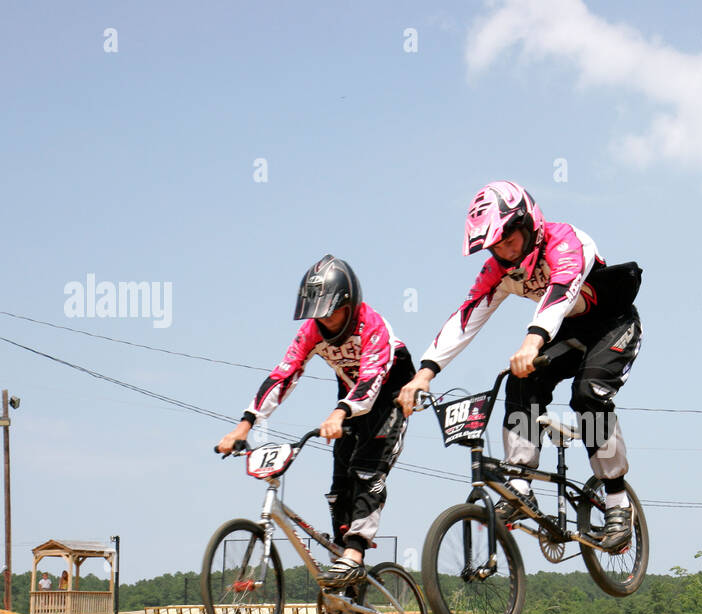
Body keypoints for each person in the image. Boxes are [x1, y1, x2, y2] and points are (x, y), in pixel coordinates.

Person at [397, 181, 643, 550]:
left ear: (529, 224)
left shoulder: (568, 241)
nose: (506, 252)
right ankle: (520, 483)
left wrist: (532, 340)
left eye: (509, 240)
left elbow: (561, 292)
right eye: (495, 246)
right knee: (520, 381)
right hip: (565, 332)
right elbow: (466, 318)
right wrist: (424, 373)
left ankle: (617, 501)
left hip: (613, 327)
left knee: (588, 397)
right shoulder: (497, 270)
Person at [216, 255, 415, 586]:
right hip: (349, 398)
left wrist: (340, 411)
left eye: (331, 311)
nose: (325, 321)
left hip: (389, 395)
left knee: (367, 470)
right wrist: (245, 424)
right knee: (339, 485)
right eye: (317, 313)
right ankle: (342, 568)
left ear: (350, 305)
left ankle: (356, 551)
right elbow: (284, 374)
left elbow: (371, 381)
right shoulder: (311, 331)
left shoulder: (373, 325)